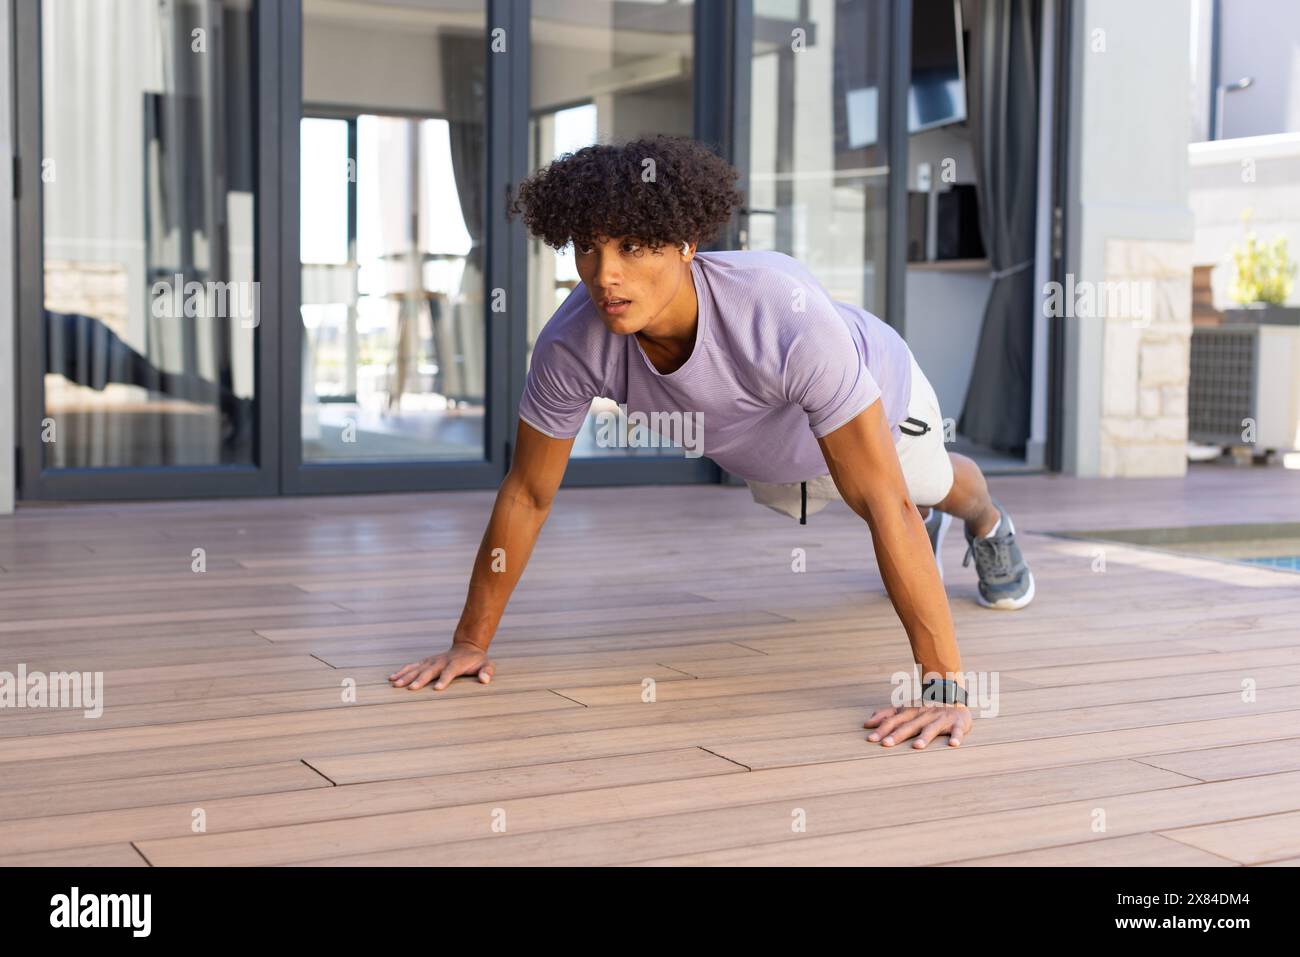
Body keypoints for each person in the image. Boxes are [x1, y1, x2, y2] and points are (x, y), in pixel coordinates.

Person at [390, 135, 1034, 750]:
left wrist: (945, 685)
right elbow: (527, 494)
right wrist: (471, 642)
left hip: (883, 403)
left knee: (911, 492)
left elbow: (884, 499)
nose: (606, 275)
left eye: (635, 246)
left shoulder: (780, 312)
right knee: (860, 500)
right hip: (775, 459)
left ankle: (984, 521)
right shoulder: (570, 345)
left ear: (686, 243)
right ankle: (919, 529)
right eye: (588, 248)